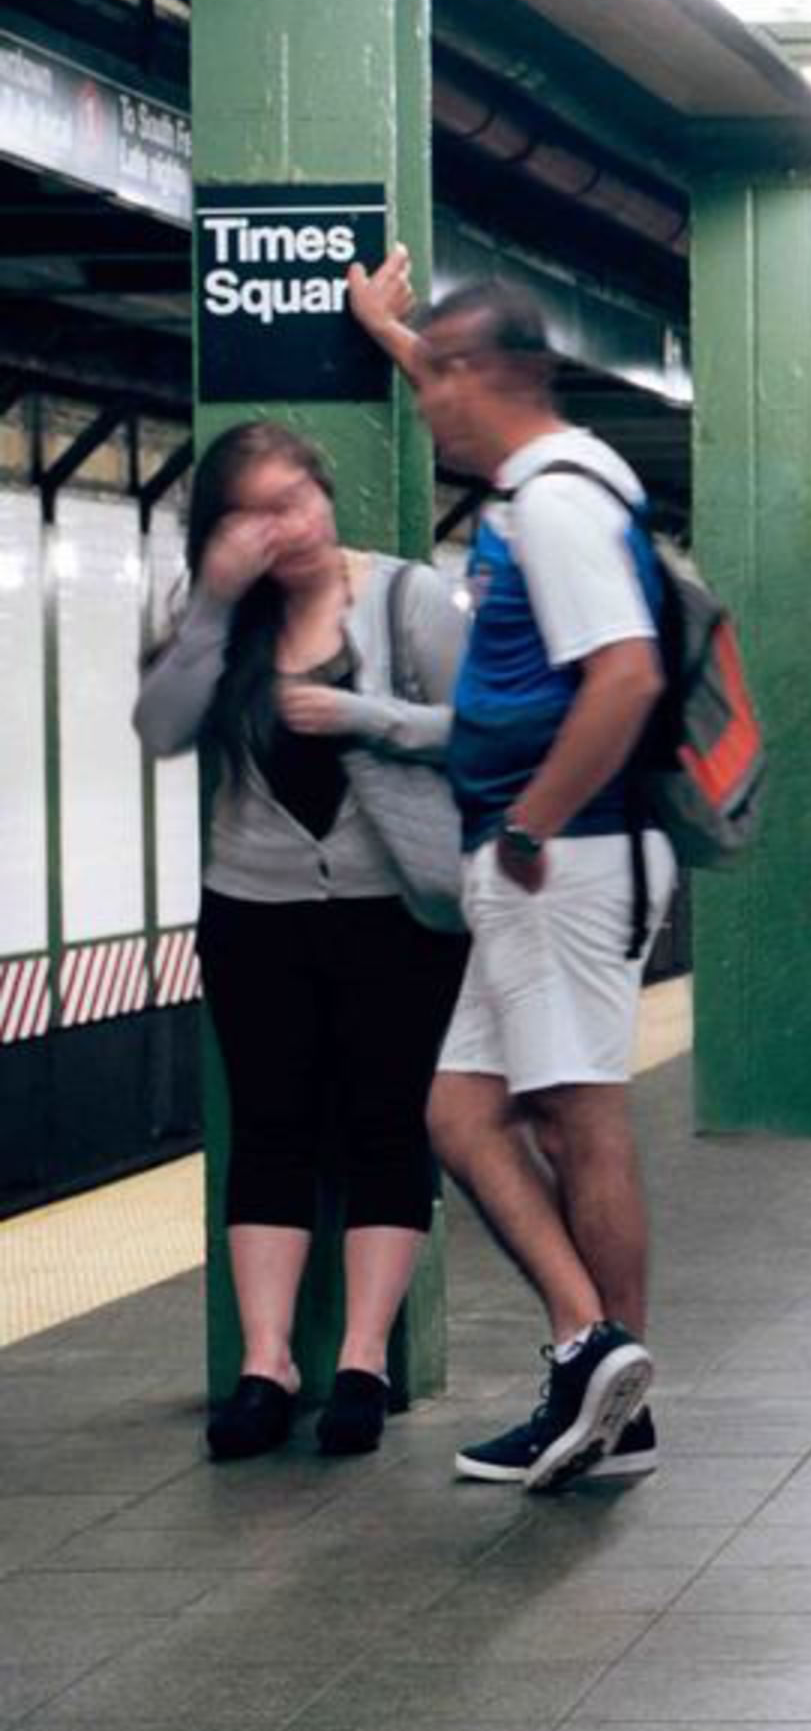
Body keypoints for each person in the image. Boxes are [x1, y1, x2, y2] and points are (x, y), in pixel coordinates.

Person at [343, 253, 671, 1491]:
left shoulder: (560, 505)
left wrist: (530, 823)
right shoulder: (556, 480)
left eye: (438, 380)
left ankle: (601, 1368)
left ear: (485, 377)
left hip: (564, 859)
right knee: (462, 1114)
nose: (425, 403)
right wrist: (391, 331)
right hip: (545, 858)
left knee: (579, 1116)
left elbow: (627, 674)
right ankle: (599, 1368)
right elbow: (451, 366)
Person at [134, 424, 473, 1461]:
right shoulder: (212, 618)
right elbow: (162, 727)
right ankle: (267, 1361)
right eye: (259, 512)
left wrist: (366, 715)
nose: (290, 526)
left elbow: (489, 725)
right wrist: (216, 606)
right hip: (255, 907)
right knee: (270, 1130)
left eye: (299, 499)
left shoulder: (405, 597)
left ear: (329, 496)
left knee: (384, 1124)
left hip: (395, 909)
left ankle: (363, 1358)